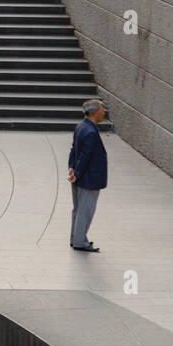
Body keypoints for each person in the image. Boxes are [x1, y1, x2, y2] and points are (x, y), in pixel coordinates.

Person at [67, 99, 109, 252]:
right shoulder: (91, 132)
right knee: (86, 210)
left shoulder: (81, 127)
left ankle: (76, 238)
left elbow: (74, 149)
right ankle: (79, 242)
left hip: (80, 176)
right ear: (94, 112)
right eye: (102, 109)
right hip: (89, 178)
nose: (103, 112)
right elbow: (85, 156)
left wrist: (71, 168)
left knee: (78, 209)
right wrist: (76, 173)